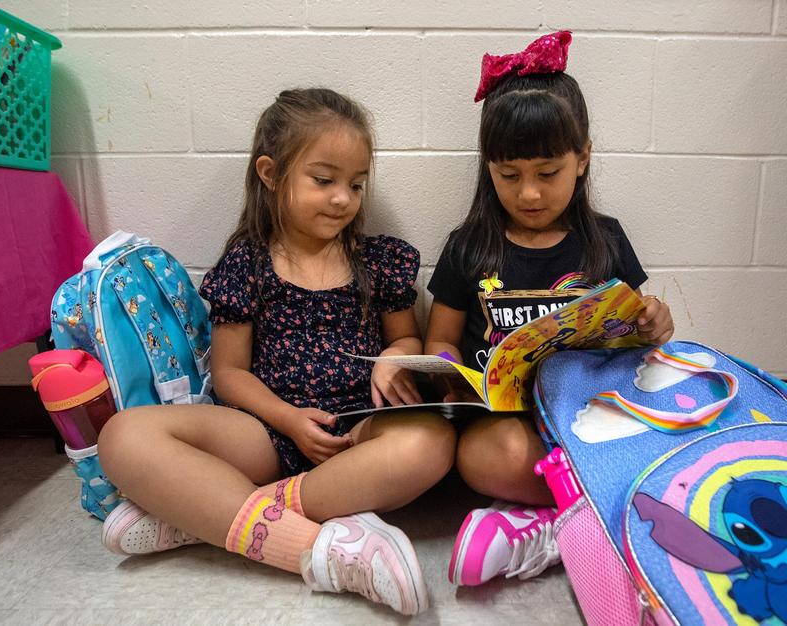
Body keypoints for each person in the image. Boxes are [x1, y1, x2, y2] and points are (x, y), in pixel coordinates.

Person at [97, 88, 457, 616]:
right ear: (270, 173)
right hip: (265, 431)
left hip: (359, 427)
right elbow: (229, 374)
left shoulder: (378, 260)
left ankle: (204, 516)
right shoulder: (247, 264)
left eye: (356, 185)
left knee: (432, 444)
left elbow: (406, 338)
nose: (343, 198)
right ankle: (322, 548)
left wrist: (393, 356)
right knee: (122, 436)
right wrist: (288, 420)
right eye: (324, 180)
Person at [424, 31, 675, 587]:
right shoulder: (469, 244)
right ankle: (595, 513)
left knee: (653, 426)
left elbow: (643, 326)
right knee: (483, 459)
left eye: (548, 173)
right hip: (507, 424)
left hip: (590, 416)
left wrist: (656, 321)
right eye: (509, 175)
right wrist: (450, 378)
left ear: (582, 160)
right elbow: (438, 340)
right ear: (487, 166)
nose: (529, 194)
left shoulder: (605, 240)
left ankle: (557, 519)